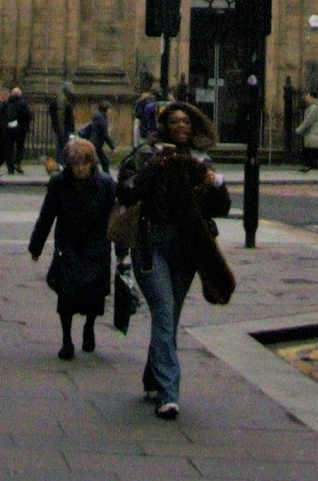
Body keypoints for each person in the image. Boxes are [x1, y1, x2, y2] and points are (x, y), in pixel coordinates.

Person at [115, 102, 230, 419]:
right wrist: (155, 166)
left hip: (187, 247)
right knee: (164, 313)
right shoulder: (146, 155)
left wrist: (216, 183)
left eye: (186, 121)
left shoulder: (201, 161)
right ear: (164, 125)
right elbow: (124, 192)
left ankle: (153, 377)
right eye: (175, 121)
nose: (181, 126)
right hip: (152, 244)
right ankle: (169, 394)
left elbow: (220, 207)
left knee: (170, 317)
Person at [28, 135, 117, 358]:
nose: (79, 169)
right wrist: (36, 246)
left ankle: (89, 326)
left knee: (94, 295)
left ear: (92, 162)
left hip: (96, 246)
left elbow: (115, 219)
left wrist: (122, 249)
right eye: (75, 164)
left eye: (84, 163)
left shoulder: (105, 184)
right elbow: (47, 216)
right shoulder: (59, 183)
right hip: (69, 245)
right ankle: (66, 339)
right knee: (66, 295)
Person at [3, 85, 31, 173]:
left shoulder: (8, 102)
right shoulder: (23, 103)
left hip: (10, 127)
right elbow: (28, 115)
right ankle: (17, 163)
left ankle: (10, 167)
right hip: (21, 128)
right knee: (20, 147)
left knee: (10, 147)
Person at [296, 89, 318, 171]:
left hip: (312, 134)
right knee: (312, 151)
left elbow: (308, 121)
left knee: (312, 151)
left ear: (311, 96)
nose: (305, 97)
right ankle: (311, 165)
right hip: (311, 134)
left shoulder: (314, 108)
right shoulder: (312, 107)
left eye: (306, 95)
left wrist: (298, 130)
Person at [80, 101, 115, 172]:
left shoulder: (98, 117)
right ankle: (104, 178)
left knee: (103, 161)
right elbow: (105, 134)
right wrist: (112, 147)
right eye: (109, 109)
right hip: (96, 144)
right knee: (99, 162)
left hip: (94, 143)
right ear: (106, 109)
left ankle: (105, 177)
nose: (110, 111)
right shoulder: (102, 119)